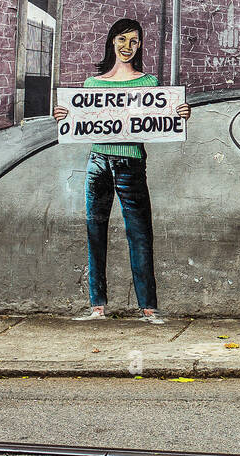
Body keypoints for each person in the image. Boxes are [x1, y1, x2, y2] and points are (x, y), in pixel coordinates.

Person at [53, 18, 191, 324]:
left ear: (140, 46)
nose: (127, 46)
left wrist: (180, 112)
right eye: (122, 39)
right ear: (112, 41)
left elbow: (163, 117)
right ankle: (97, 306)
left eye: (134, 41)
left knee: (140, 234)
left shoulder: (149, 84)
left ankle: (148, 308)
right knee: (95, 232)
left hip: (131, 164)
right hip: (98, 163)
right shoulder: (92, 85)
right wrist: (64, 115)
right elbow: (79, 119)